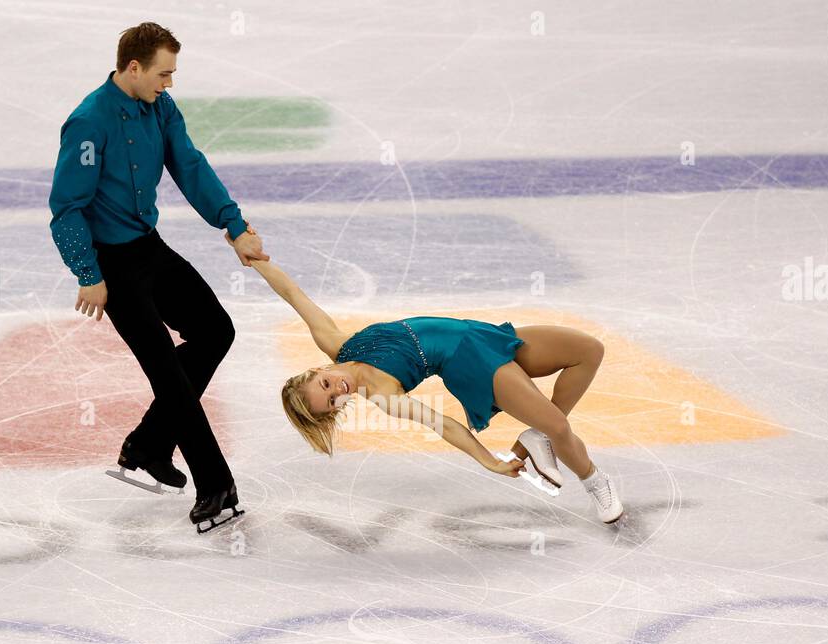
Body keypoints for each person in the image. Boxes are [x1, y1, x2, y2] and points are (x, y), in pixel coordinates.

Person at [49, 22, 266, 532]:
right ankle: (216, 484)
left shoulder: (160, 108)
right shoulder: (88, 123)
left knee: (216, 331)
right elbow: (66, 209)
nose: (169, 84)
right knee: (169, 375)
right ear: (133, 68)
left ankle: (147, 445)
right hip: (112, 267)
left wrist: (234, 226)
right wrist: (87, 272)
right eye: (163, 74)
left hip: (149, 249)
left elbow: (189, 165)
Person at [246, 255, 624, 524]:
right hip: (470, 363)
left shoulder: (336, 343)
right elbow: (442, 425)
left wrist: (254, 258)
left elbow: (293, 294)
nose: (338, 389)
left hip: (478, 333)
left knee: (588, 351)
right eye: (332, 402)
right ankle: (596, 482)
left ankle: (537, 435)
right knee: (560, 428)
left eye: (326, 384)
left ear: (317, 370)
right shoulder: (383, 394)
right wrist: (488, 460)